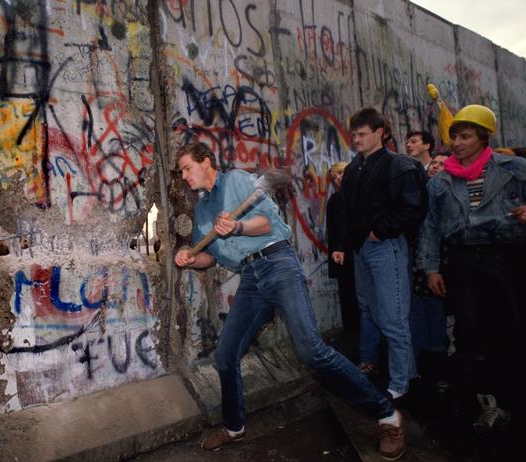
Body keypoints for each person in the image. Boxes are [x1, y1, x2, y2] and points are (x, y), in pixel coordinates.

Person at [174, 142, 405, 460]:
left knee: (312, 351)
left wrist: (237, 225)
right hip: (251, 276)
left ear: (206, 161)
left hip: (277, 262)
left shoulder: (236, 181)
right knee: (226, 354)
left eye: (187, 167)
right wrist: (188, 257)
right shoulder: (202, 210)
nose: (185, 176)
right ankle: (234, 427)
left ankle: (387, 414)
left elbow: (266, 224)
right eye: (182, 171)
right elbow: (209, 259)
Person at [417, 104, 526, 432]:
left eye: (465, 136)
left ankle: (519, 400)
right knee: (471, 336)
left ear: (483, 138)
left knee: (514, 330)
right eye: (454, 136)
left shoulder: (515, 167)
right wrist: (431, 269)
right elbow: (429, 229)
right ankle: (489, 404)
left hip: (508, 262)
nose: (457, 142)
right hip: (464, 264)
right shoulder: (441, 183)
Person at [331, 108, 427, 400]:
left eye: (362, 134)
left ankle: (401, 383)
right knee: (369, 310)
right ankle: (400, 372)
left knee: (393, 317)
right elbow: (348, 210)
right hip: (362, 250)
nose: (356, 139)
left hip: (387, 248)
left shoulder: (400, 165)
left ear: (380, 133)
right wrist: (343, 244)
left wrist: (380, 231)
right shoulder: (353, 169)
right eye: (354, 134)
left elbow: (413, 207)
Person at [326, 161, 358, 332]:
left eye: (340, 173)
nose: (338, 178)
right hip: (343, 260)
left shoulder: (362, 196)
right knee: (349, 302)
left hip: (361, 256)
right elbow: (333, 233)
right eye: (334, 177)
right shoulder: (334, 201)